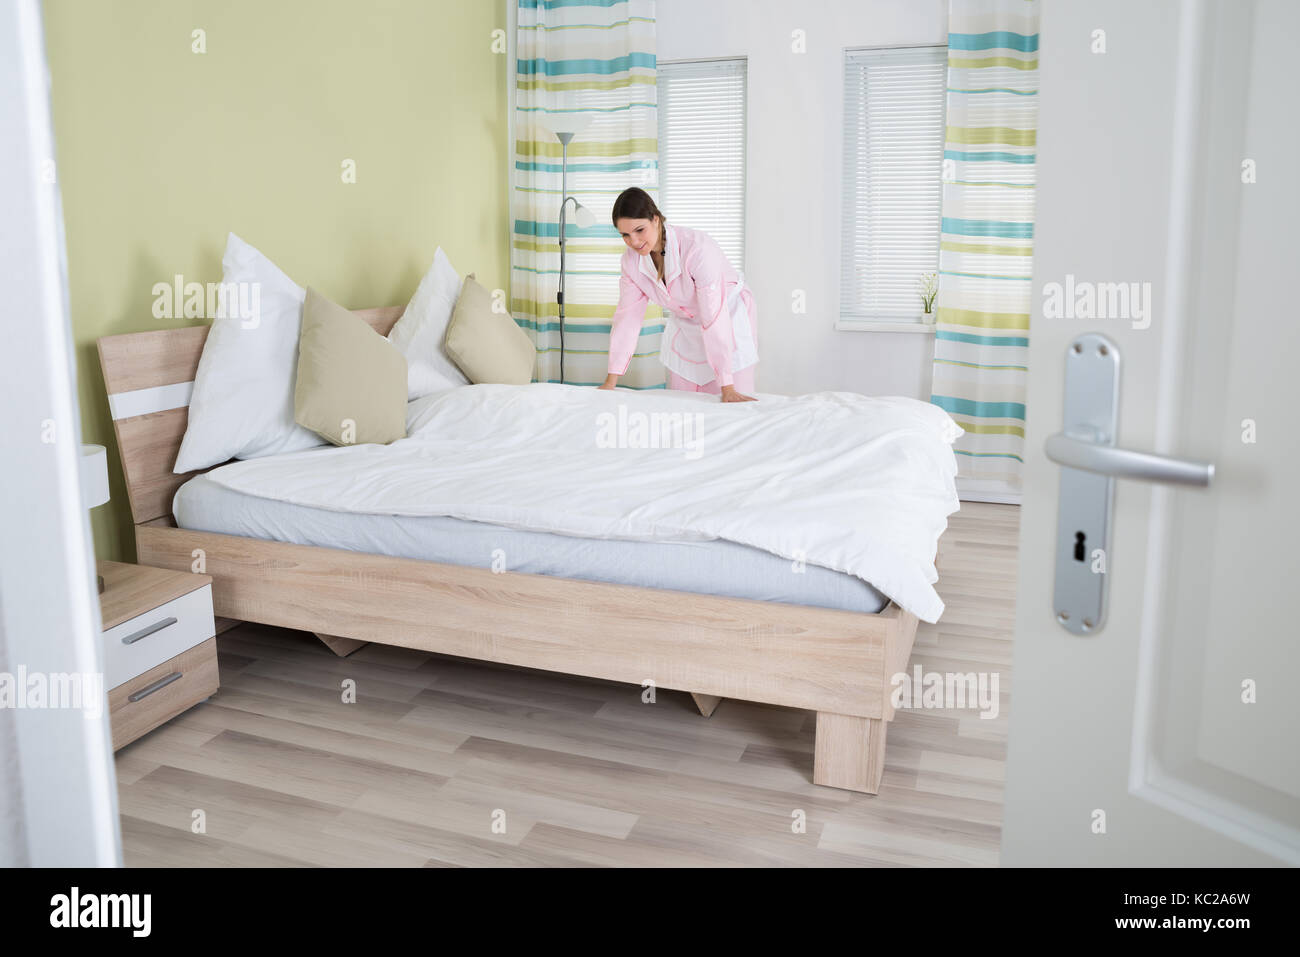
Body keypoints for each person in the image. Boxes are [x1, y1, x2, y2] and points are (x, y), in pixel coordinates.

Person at [599, 188, 758, 401]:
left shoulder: (697, 249)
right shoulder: (631, 262)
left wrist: (727, 386)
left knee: (732, 402)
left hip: (726, 316)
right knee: (682, 405)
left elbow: (713, 315)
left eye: (639, 230)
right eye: (625, 235)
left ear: (655, 219)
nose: (634, 241)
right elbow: (627, 319)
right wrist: (611, 381)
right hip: (686, 326)